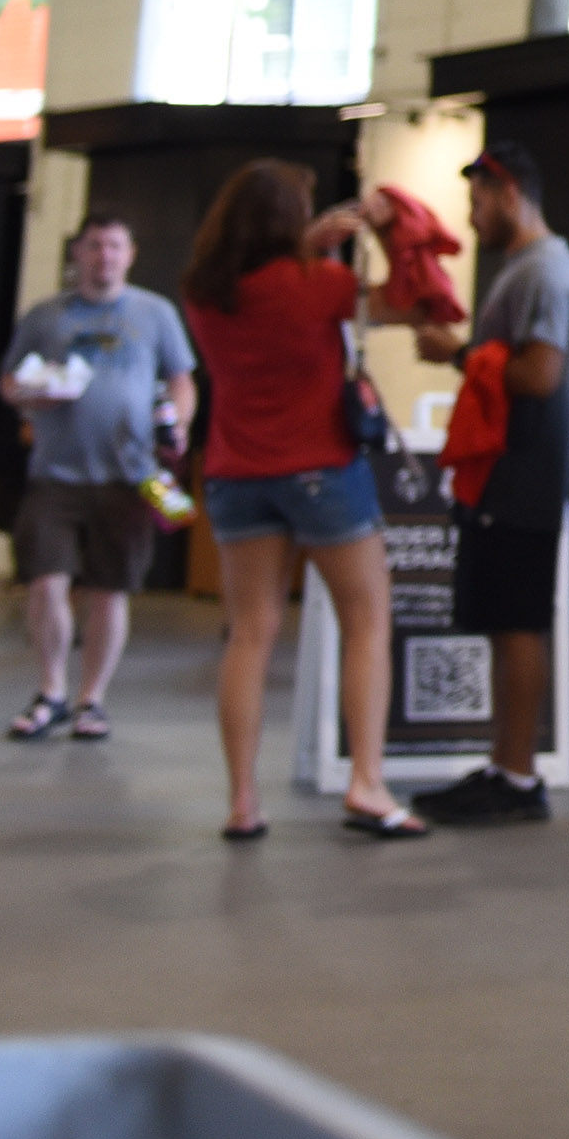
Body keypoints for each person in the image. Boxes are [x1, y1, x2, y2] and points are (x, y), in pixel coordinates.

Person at [179, 160, 420, 840]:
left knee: (250, 634)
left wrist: (306, 245)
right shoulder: (321, 283)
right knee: (367, 621)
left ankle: (242, 802)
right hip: (321, 469)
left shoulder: (203, 294)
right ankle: (367, 784)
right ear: (292, 221)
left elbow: (261, 293)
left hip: (234, 474)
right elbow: (403, 305)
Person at [409, 143, 569, 827]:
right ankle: (504, 762)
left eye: (478, 199)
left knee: (516, 623)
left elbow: (540, 374)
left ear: (509, 192)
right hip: (507, 478)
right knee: (504, 622)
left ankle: (517, 777)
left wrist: (456, 353)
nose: (472, 213)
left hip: (523, 476)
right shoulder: (529, 269)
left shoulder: (544, 273)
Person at [1, 211, 196, 742]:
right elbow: (10, 382)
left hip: (128, 475)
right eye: (93, 246)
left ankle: (92, 699)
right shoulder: (47, 316)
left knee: (110, 589)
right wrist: (30, 393)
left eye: (114, 246)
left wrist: (178, 421)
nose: (103, 256)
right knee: (47, 580)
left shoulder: (154, 313)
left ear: (129, 254)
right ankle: (51, 690)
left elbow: (182, 380)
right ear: (77, 254)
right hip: (56, 472)